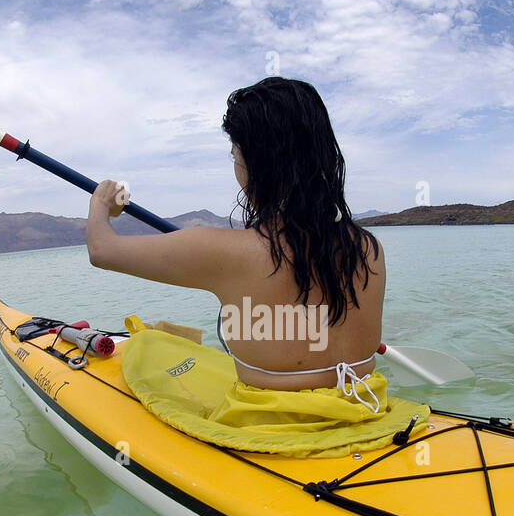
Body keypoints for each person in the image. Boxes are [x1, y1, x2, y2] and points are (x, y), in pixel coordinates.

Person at [84, 77, 387, 411]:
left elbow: (102, 250)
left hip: (278, 429)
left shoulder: (228, 251)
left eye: (235, 154)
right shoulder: (369, 249)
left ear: (257, 162)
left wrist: (101, 203)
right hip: (365, 410)